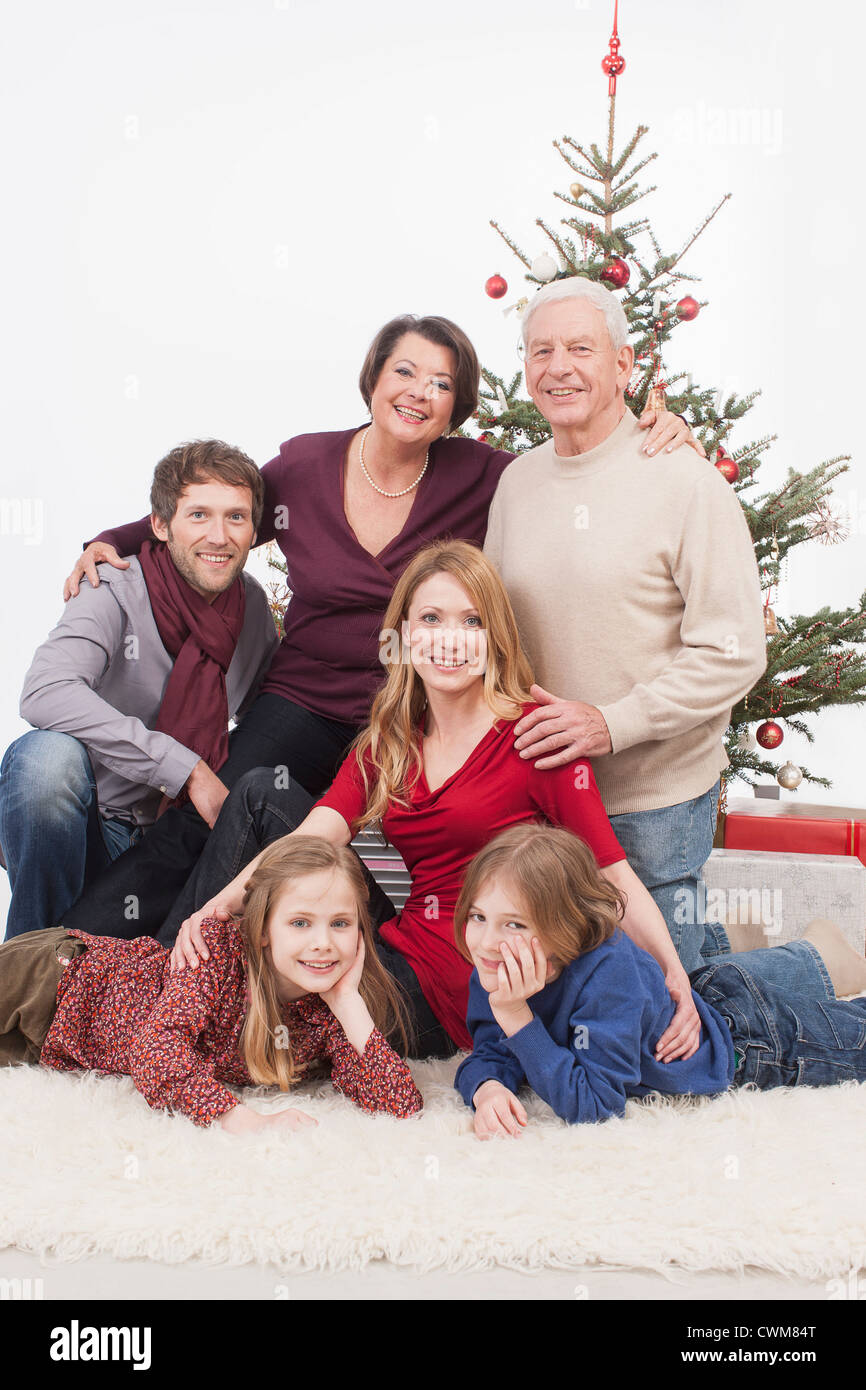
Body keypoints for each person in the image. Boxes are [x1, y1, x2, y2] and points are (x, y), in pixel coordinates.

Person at [55, 313, 702, 940]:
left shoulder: (485, 477)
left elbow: (574, 477)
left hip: (410, 714)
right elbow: (217, 511)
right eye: (406, 370)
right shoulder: (305, 468)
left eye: (442, 384)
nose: (421, 392)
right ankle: (73, 958)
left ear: (457, 407)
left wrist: (650, 443)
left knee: (388, 877)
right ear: (374, 378)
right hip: (302, 700)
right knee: (211, 815)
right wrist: (112, 539)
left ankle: (295, 989)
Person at [165, 541, 727, 1062]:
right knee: (263, 792)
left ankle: (175, 1002)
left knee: (274, 1015)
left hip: (459, 982)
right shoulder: (392, 739)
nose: (449, 640)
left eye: (471, 621)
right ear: (404, 635)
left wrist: (673, 971)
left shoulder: (535, 738)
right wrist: (214, 910)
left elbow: (612, 875)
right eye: (431, 620)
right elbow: (314, 836)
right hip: (398, 932)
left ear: (495, 637)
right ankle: (165, 974)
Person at [483, 276, 768, 970]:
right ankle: (730, 949)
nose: (559, 367)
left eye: (581, 347)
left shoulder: (685, 480)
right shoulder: (516, 482)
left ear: (624, 364)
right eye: (540, 350)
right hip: (542, 797)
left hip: (652, 801)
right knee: (573, 1001)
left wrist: (612, 722)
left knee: (668, 1022)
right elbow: (492, 630)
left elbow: (734, 651)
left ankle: (817, 965)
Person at [0, 440, 278, 940]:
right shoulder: (113, 587)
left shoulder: (252, 608)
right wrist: (185, 768)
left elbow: (271, 715)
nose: (219, 536)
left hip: (181, 843)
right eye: (198, 515)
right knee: (44, 760)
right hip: (95, 828)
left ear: (254, 530)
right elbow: (45, 690)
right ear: (160, 524)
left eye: (236, 518)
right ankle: (28, 968)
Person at [454, 824, 866, 1137]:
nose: (487, 942)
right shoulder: (496, 965)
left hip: (749, 1043)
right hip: (716, 1001)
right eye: (478, 916)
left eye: (514, 923)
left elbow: (596, 1104)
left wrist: (516, 1016)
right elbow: (495, 1048)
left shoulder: (607, 975)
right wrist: (486, 1087)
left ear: (566, 924)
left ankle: (821, 957)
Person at [0, 837, 422, 1129]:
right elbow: (156, 1052)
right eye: (300, 923)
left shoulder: (330, 1012)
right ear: (262, 930)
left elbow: (401, 1107)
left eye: (341, 924)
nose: (323, 944)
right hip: (55, 982)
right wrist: (241, 1120)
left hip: (55, 1051)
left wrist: (348, 1002)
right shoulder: (217, 951)